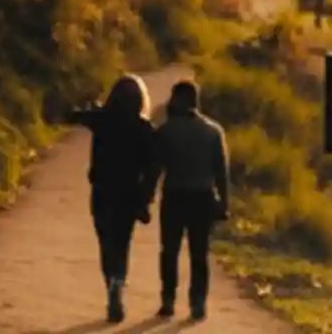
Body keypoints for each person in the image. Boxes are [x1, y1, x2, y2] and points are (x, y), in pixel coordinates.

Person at [66, 74, 156, 324]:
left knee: (105, 242)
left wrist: (83, 103)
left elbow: (72, 115)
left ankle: (111, 285)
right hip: (129, 194)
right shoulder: (145, 129)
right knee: (122, 241)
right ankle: (118, 282)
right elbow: (151, 168)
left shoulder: (102, 120)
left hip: (102, 190)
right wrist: (146, 198)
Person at [147, 78, 230, 321]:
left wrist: (147, 197)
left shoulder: (165, 131)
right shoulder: (214, 131)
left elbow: (155, 168)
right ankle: (197, 303)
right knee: (199, 254)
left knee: (169, 251)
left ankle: (168, 300)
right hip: (202, 197)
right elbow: (221, 172)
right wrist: (224, 203)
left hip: (174, 195)